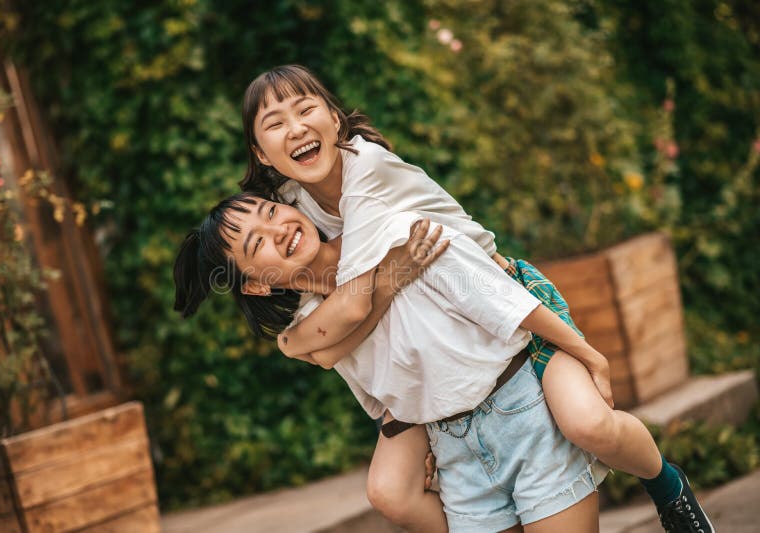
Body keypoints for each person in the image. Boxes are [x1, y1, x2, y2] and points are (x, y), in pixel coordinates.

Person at [232, 64, 713, 533]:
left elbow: (355, 306)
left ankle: (667, 485)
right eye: (275, 124)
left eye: (305, 110)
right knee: (389, 489)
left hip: (509, 300)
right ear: (261, 153)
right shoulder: (289, 209)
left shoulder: (367, 175)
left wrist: (308, 345)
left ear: (335, 119)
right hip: (457, 356)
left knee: (589, 424)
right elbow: (335, 321)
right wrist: (304, 339)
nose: (295, 129)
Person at [175, 193, 608, 531]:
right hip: (457, 454)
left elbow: (499, 303)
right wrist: (416, 426)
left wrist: (586, 355)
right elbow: (378, 384)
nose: (278, 229)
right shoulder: (310, 322)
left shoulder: (399, 235)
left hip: (521, 416)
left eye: (270, 212)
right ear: (253, 286)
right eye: (257, 243)